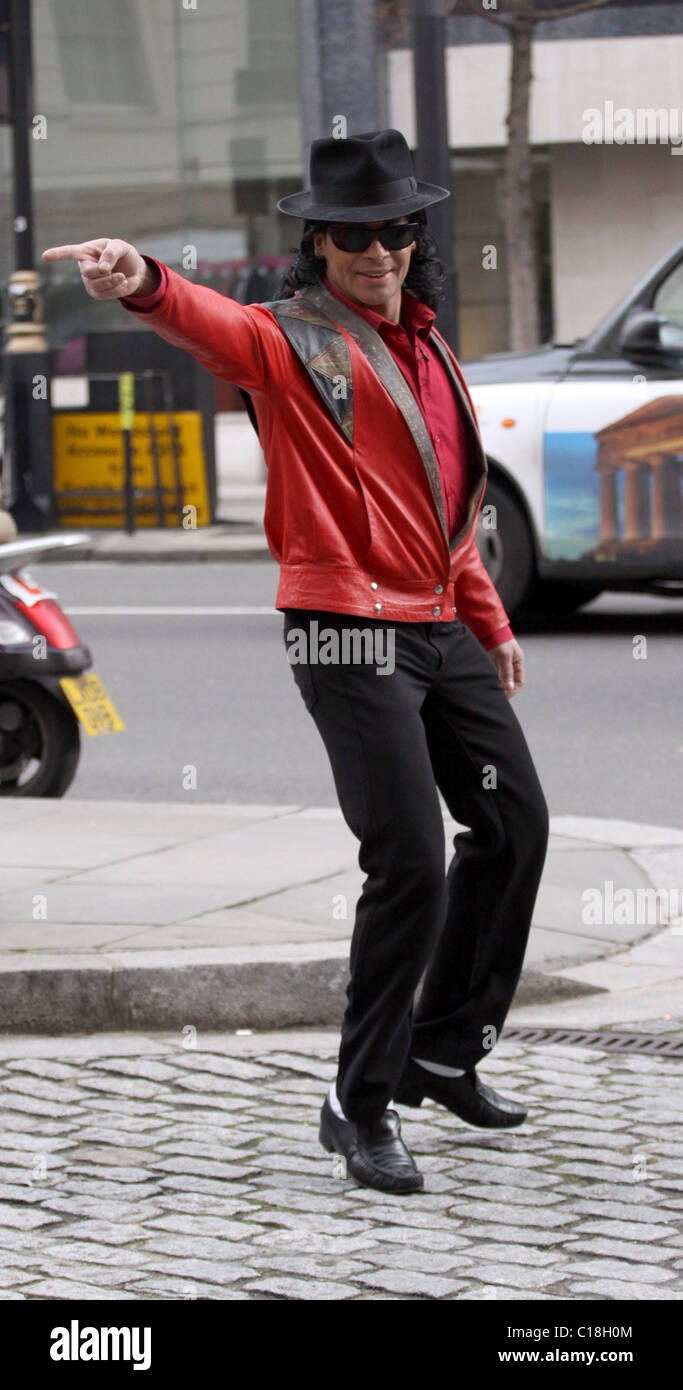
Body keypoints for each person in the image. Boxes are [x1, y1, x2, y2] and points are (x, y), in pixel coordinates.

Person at [42, 128, 549, 1196]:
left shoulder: (431, 349)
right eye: (354, 237)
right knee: (409, 855)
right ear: (319, 245)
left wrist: (488, 622)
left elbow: (448, 518)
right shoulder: (292, 341)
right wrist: (143, 281)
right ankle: (355, 1104)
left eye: (394, 233)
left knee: (511, 824)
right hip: (344, 629)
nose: (378, 253)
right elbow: (215, 328)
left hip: (436, 623)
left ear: (412, 239)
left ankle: (443, 1047)